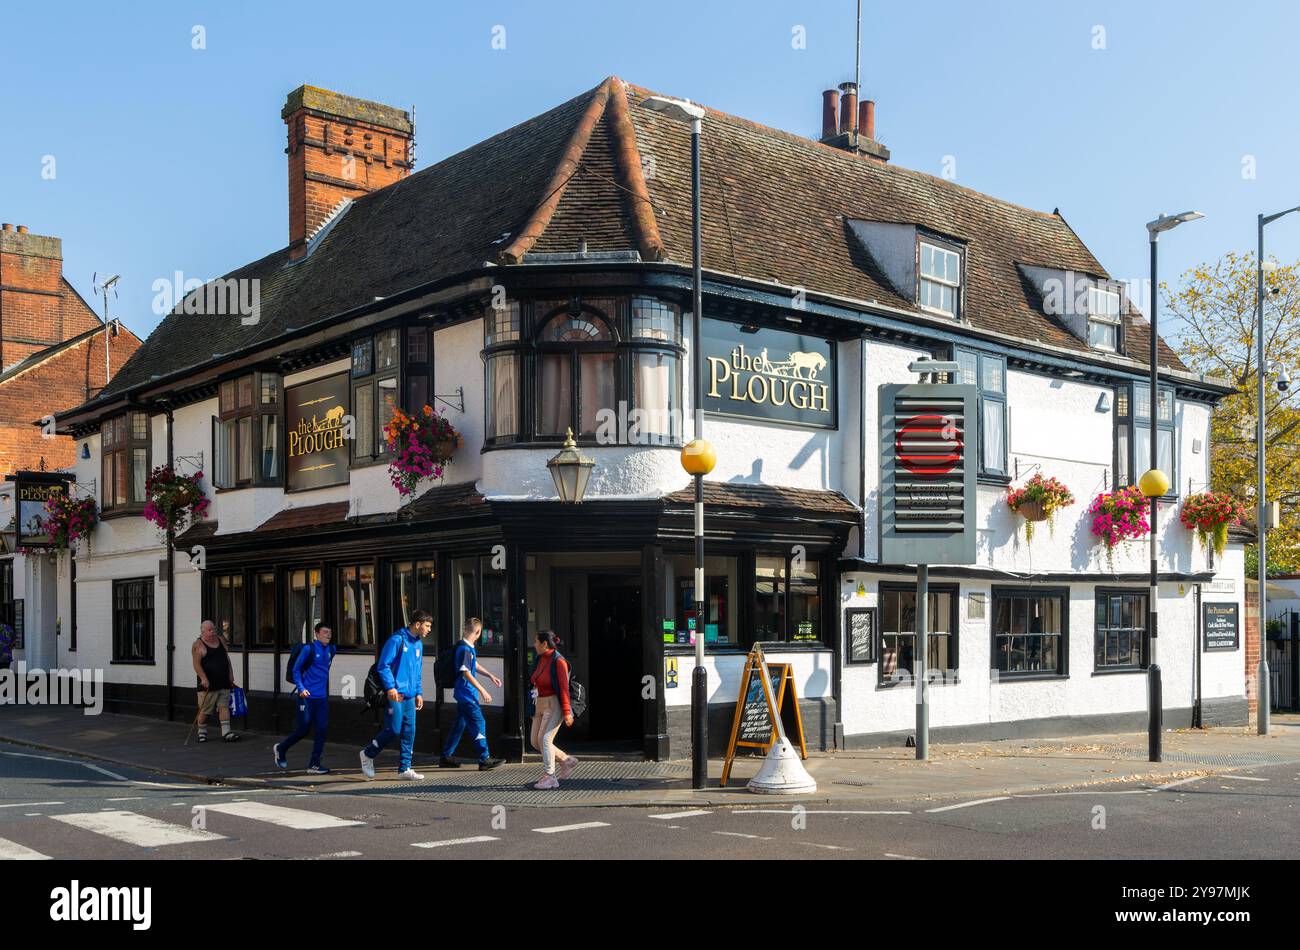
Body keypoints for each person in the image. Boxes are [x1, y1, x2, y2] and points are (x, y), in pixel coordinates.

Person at [359, 610, 431, 781]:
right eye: (427, 626)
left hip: (410, 695)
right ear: (418, 624)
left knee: (410, 731)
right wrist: (390, 687)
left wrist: (419, 692)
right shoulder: (397, 640)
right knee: (394, 729)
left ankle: (404, 769)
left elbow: (418, 671)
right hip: (395, 694)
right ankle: (368, 754)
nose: (429, 629)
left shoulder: (418, 644)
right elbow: (383, 666)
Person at [439, 618, 504, 771]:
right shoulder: (465, 649)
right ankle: (484, 758)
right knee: (479, 723)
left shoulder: (465, 647)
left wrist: (490, 675)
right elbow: (466, 672)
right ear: (478, 632)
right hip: (467, 694)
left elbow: (473, 664)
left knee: (459, 725)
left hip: (464, 693)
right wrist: (483, 690)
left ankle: (446, 756)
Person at [274, 623, 335, 774]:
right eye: (325, 632)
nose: (328, 635)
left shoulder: (331, 650)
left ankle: (314, 764)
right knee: (303, 730)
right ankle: (281, 748)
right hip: (306, 696)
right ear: (316, 634)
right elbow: (296, 669)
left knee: (322, 730)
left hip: (321, 698)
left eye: (330, 633)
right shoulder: (309, 649)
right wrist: (301, 688)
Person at [528, 630, 577, 790]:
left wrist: (567, 712)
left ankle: (550, 777)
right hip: (539, 702)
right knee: (535, 741)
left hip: (553, 703)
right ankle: (566, 760)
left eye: (536, 642)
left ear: (544, 644)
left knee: (545, 739)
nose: (534, 644)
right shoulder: (540, 659)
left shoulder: (559, 661)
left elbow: (563, 689)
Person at [192, 620, 239, 743]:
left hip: (223, 681)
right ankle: (201, 732)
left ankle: (227, 732)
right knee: (205, 711)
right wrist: (203, 678)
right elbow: (196, 665)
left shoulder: (220, 640)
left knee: (224, 707)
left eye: (213, 629)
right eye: (209, 630)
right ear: (203, 632)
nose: (213, 632)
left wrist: (231, 674)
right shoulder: (198, 645)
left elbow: (226, 658)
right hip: (208, 684)